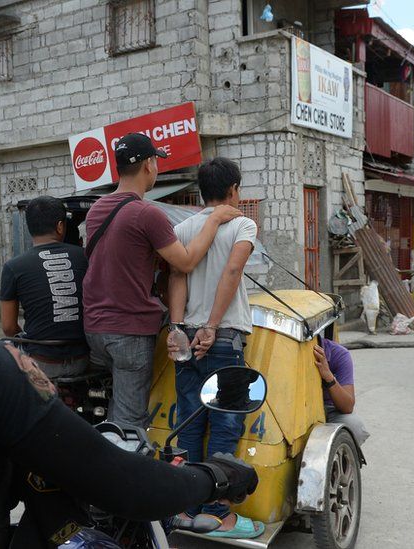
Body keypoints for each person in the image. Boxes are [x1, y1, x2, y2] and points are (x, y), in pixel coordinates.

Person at [0, 122, 261, 548]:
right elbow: (185, 263)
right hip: (123, 335)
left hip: (93, 333)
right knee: (129, 432)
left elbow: (11, 327)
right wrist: (214, 477)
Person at [83, 133, 241, 429]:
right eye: (155, 162)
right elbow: (185, 262)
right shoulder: (146, 214)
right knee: (129, 424)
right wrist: (215, 219)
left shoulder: (96, 210)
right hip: (128, 331)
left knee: (114, 412)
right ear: (148, 166)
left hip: (94, 330)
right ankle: (123, 473)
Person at [166, 157, 261, 539]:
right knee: (225, 426)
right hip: (222, 339)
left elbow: (176, 274)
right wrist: (213, 324)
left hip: (186, 338)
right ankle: (218, 514)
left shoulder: (184, 227)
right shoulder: (243, 223)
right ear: (234, 189)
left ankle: (186, 510)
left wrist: (178, 327)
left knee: (188, 422)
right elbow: (233, 271)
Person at [0, 195, 89, 379]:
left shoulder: (13, 266)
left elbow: (8, 327)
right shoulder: (85, 257)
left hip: (41, 362)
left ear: (28, 227)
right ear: (60, 226)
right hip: (84, 359)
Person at [313, 338, 370, 446]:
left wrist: (329, 377)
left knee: (354, 426)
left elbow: (347, 406)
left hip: (329, 408)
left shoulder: (339, 354)